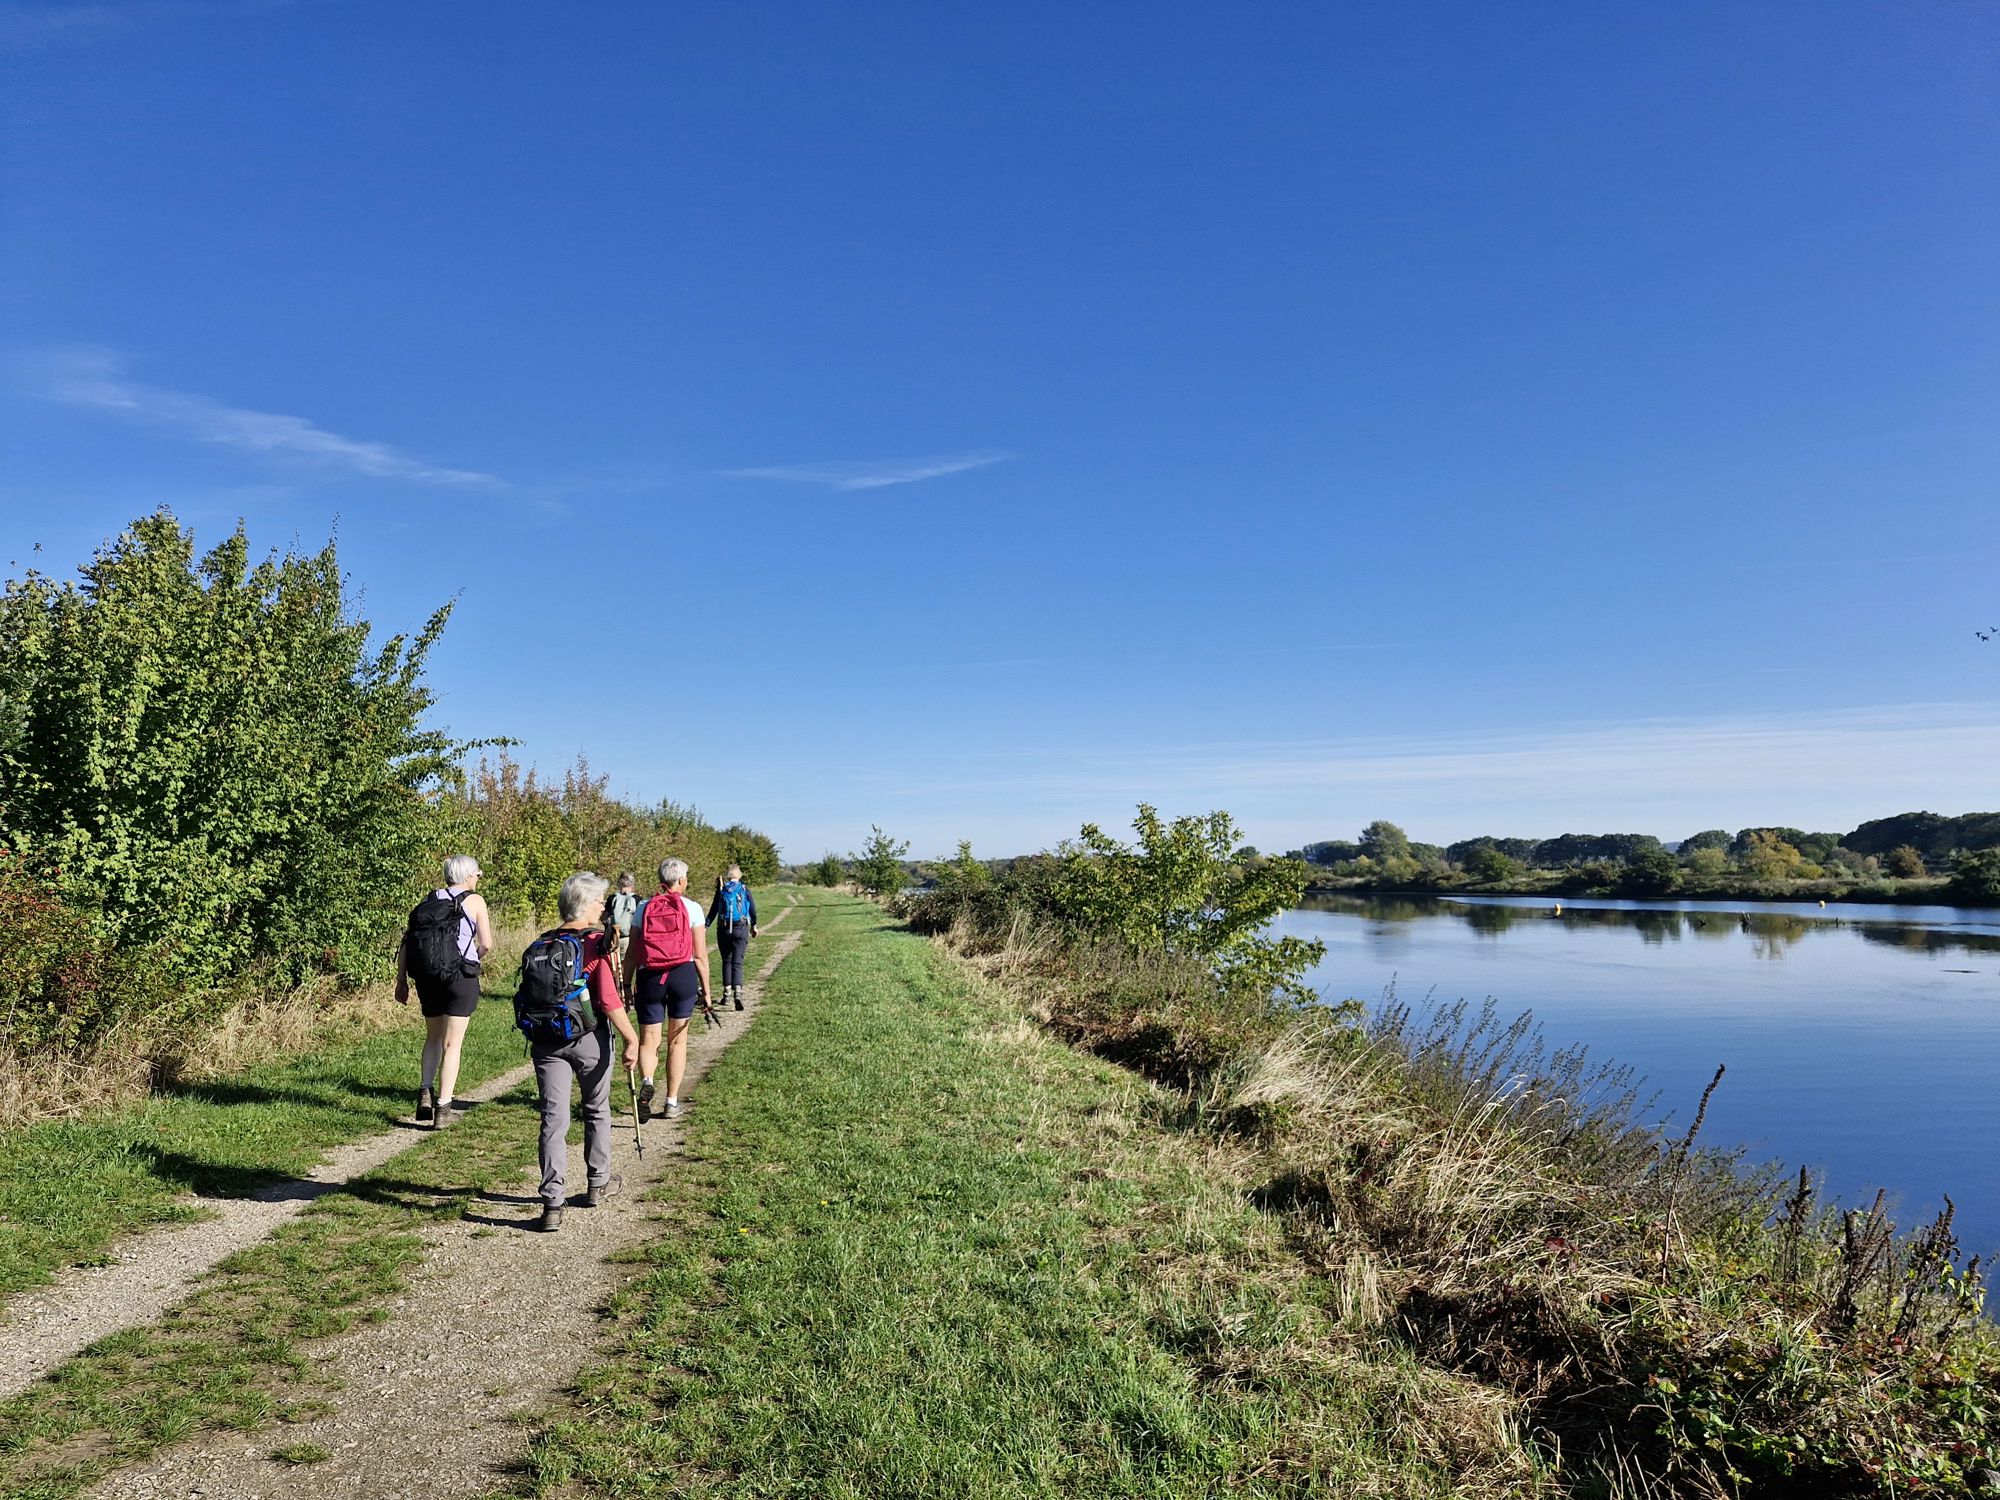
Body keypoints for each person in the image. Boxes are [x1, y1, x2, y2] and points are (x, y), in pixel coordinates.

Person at [527, 871, 641, 1233]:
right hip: (589, 1038)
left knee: (553, 1119)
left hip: (546, 1040)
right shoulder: (594, 943)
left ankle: (551, 1203)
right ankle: (597, 1183)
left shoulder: (542, 942)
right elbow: (607, 999)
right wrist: (631, 1038)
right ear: (585, 904)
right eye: (599, 901)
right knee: (596, 1109)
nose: (603, 907)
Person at [394, 854, 495, 1129]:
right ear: (468, 875)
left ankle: (425, 1091)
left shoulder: (428, 901)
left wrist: (401, 980)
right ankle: (443, 1108)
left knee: (433, 1038)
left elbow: (407, 942)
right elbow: (486, 943)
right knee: (452, 1044)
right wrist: (470, 958)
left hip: (428, 978)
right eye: (477, 874)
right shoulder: (475, 901)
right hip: (460, 977)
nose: (477, 879)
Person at [626, 857, 711, 1122]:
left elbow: (632, 952)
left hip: (650, 977)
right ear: (682, 881)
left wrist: (626, 984)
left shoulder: (643, 907)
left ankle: (647, 1081)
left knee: (649, 1040)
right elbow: (700, 955)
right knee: (677, 1040)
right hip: (682, 976)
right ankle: (671, 1102)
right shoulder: (692, 908)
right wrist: (706, 990)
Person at [706, 863, 759, 1010]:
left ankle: (727, 993)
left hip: (723, 929)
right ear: (739, 875)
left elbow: (714, 909)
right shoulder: (744, 889)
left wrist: (706, 925)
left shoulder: (722, 889)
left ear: (728, 875)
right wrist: (754, 925)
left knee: (726, 960)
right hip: (740, 928)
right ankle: (738, 993)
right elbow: (752, 909)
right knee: (738, 962)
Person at [607, 871, 639, 964]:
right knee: (627, 964)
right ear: (632, 884)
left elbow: (604, 917)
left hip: (613, 937)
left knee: (614, 965)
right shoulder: (637, 899)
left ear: (619, 883)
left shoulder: (612, 898)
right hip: (629, 937)